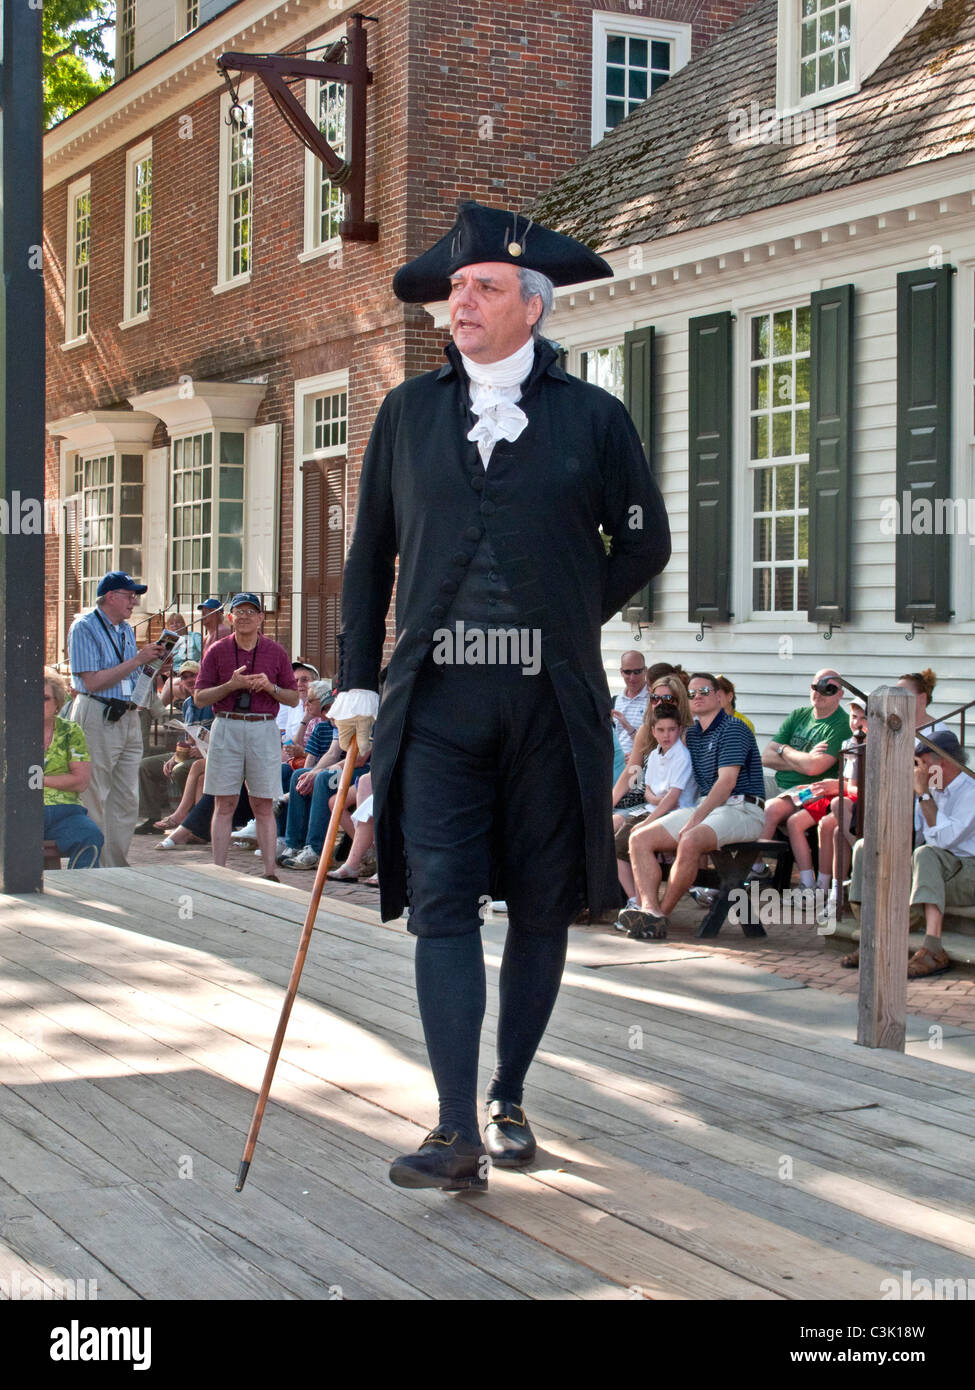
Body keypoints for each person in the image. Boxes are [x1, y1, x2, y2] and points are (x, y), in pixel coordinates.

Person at [330, 201, 670, 1191]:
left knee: (539, 906)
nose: (458, 303)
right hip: (435, 700)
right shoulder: (407, 413)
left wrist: (567, 612)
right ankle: (451, 1128)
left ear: (533, 305)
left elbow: (642, 541)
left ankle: (508, 1096)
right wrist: (355, 678)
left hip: (546, 703)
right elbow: (371, 558)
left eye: (480, 287)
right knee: (441, 903)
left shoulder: (596, 418)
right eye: (452, 290)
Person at [619, 673, 765, 939]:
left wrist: (694, 818)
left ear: (720, 696)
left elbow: (726, 783)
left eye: (704, 691)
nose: (696, 696)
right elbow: (651, 752)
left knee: (690, 838)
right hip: (707, 808)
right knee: (638, 837)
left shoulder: (734, 729)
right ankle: (649, 909)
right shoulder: (692, 735)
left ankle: (659, 916)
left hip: (742, 808)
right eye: (691, 693)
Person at [844, 731, 975, 977]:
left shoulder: (970, 791)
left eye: (923, 764)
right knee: (865, 847)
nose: (919, 771)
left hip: (967, 873)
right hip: (933, 870)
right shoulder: (931, 788)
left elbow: (944, 841)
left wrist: (924, 794)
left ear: (943, 762)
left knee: (927, 854)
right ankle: (871, 938)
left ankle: (933, 949)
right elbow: (914, 837)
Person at [194, 592, 299, 881]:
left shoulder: (275, 652)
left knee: (263, 802)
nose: (245, 617)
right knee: (224, 801)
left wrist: (270, 687)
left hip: (263, 726)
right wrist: (231, 685)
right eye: (239, 612)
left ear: (261, 618)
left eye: (251, 612)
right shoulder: (216, 650)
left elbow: (292, 698)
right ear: (230, 618)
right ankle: (219, 870)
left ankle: (269, 872)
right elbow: (200, 697)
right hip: (226, 724)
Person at [67, 570, 166, 867]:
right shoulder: (84, 627)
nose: (134, 603)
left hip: (128, 715)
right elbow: (93, 681)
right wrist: (137, 659)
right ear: (110, 597)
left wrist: (153, 664)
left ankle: (116, 866)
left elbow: (130, 675)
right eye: (129, 596)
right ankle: (91, 864)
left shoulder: (124, 629)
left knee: (126, 797)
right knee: (95, 793)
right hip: (97, 711)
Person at [752, 668, 851, 873]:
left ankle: (754, 868)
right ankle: (736, 863)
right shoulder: (799, 715)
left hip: (811, 790)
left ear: (840, 694)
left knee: (770, 809)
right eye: (816, 687)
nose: (820, 693)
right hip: (779, 782)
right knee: (739, 793)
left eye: (829, 689)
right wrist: (798, 757)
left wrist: (783, 750)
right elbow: (766, 757)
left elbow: (815, 768)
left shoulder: (842, 724)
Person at [614, 701, 696, 905]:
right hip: (651, 809)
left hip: (673, 815)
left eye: (671, 730)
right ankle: (634, 899)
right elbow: (649, 792)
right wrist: (658, 799)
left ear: (679, 730)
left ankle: (644, 903)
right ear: (653, 731)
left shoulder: (682, 756)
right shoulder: (653, 754)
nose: (666, 735)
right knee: (614, 847)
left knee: (638, 841)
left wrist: (650, 816)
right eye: (660, 730)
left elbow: (674, 799)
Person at [134, 660, 212, 833]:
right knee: (145, 766)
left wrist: (202, 750)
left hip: (211, 755)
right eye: (185, 677)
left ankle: (190, 816)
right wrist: (173, 757)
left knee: (181, 769)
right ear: (181, 682)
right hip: (192, 753)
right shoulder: (186, 705)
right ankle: (150, 817)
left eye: (194, 675)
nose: (190, 680)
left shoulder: (213, 702)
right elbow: (188, 740)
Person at [43, 666, 104, 869]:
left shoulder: (70, 731)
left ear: (57, 702)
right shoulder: (11, 730)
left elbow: (81, 781)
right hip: (22, 813)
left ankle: (83, 891)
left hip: (66, 813)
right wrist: (61, 779)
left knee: (90, 836)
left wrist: (39, 780)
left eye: (45, 698)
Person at [611, 651, 649, 759]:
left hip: (641, 767)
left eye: (637, 672)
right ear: (621, 672)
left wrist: (637, 756)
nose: (632, 678)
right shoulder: (615, 701)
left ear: (645, 670)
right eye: (627, 672)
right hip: (617, 766)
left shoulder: (655, 700)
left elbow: (660, 740)